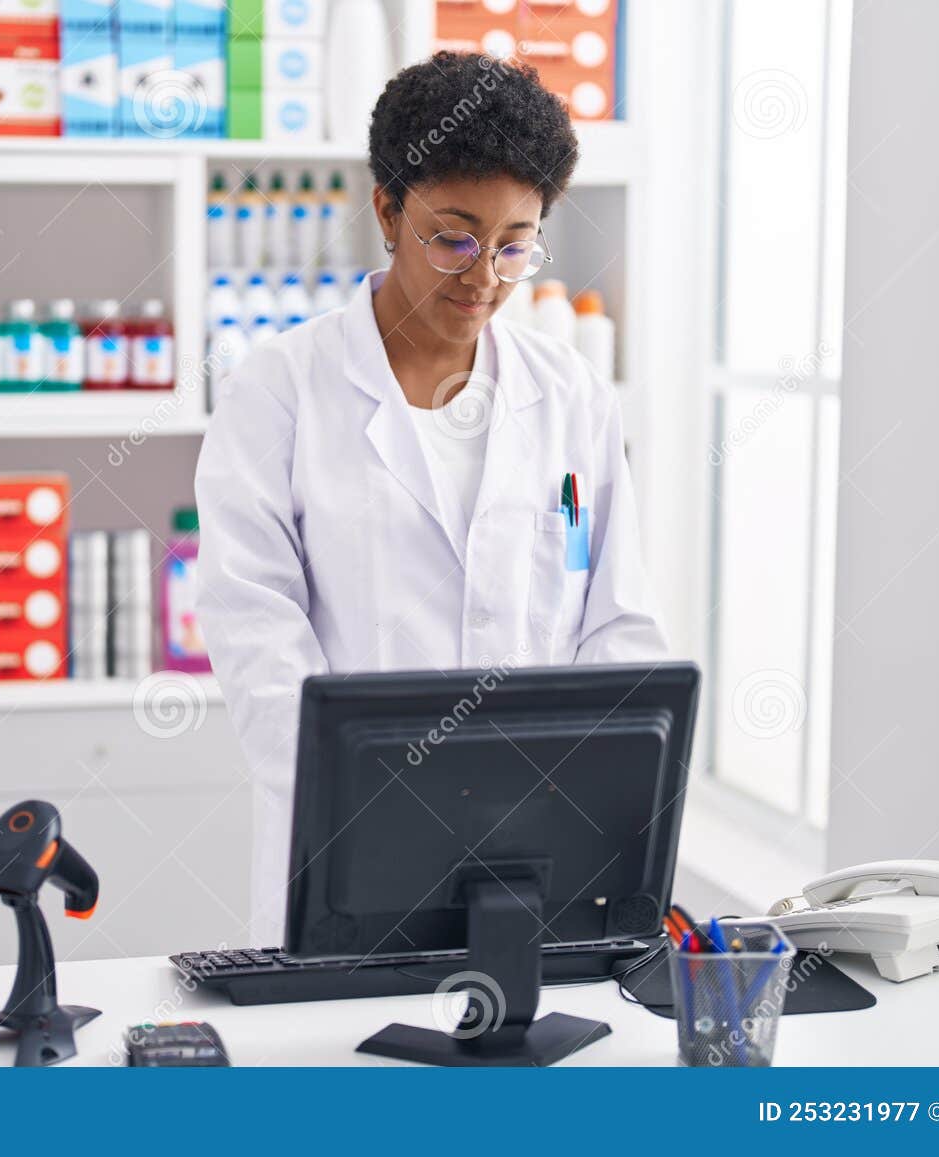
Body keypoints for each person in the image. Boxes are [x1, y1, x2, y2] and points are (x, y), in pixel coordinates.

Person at [195, 52, 668, 940]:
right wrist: (370, 795)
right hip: (351, 845)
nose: (484, 274)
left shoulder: (569, 396)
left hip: (543, 846)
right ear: (387, 210)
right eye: (453, 236)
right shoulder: (280, 389)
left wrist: (604, 795)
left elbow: (617, 620)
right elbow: (254, 627)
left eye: (515, 244)